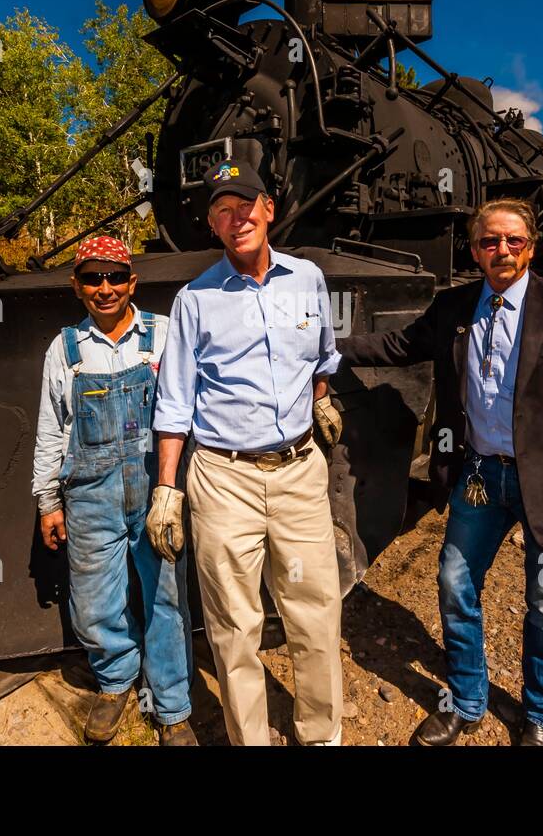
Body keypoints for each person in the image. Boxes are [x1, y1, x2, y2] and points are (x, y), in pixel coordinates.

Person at [337, 198, 543, 747]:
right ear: (474, 250)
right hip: (478, 475)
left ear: (531, 247)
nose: (502, 251)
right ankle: (467, 701)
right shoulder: (454, 307)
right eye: (490, 242)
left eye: (513, 241)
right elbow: (398, 344)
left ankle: (541, 718)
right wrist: (325, 349)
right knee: (454, 582)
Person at [151, 160, 346, 746]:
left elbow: (322, 354)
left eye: (244, 206)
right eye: (221, 213)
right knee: (235, 626)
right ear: (212, 227)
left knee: (315, 612)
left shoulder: (307, 279)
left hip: (299, 472)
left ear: (269, 210)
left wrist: (321, 398)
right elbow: (175, 401)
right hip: (223, 478)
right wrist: (167, 488)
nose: (236, 220)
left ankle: (321, 736)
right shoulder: (195, 300)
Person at [32, 235, 196, 746]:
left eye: (115, 277)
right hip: (89, 496)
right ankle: (114, 682)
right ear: (76, 286)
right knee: (95, 601)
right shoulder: (65, 350)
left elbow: (190, 409)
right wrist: (47, 501)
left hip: (156, 489)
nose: (105, 288)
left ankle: (172, 709)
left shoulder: (164, 336)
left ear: (132, 282)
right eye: (92, 278)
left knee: (166, 597)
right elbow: (51, 429)